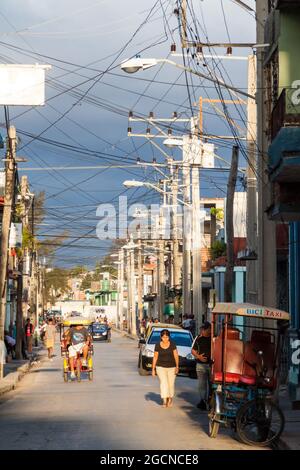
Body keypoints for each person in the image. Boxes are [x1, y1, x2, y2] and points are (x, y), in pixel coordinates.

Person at [152, 329, 179, 408]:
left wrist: (177, 366)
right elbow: (155, 357)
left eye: (167, 337)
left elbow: (176, 356)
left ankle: (170, 398)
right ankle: (164, 400)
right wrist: (153, 369)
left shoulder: (172, 345)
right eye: (163, 337)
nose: (165, 339)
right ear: (161, 337)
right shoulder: (157, 345)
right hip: (160, 367)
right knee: (163, 383)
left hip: (172, 367)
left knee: (170, 384)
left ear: (169, 337)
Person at [192, 321, 212, 410]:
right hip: (200, 365)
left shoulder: (214, 339)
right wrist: (198, 357)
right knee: (202, 385)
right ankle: (203, 401)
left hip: (212, 366)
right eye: (202, 329)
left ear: (209, 329)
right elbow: (193, 350)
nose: (202, 331)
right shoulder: (198, 339)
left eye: (205, 329)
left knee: (212, 385)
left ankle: (211, 401)